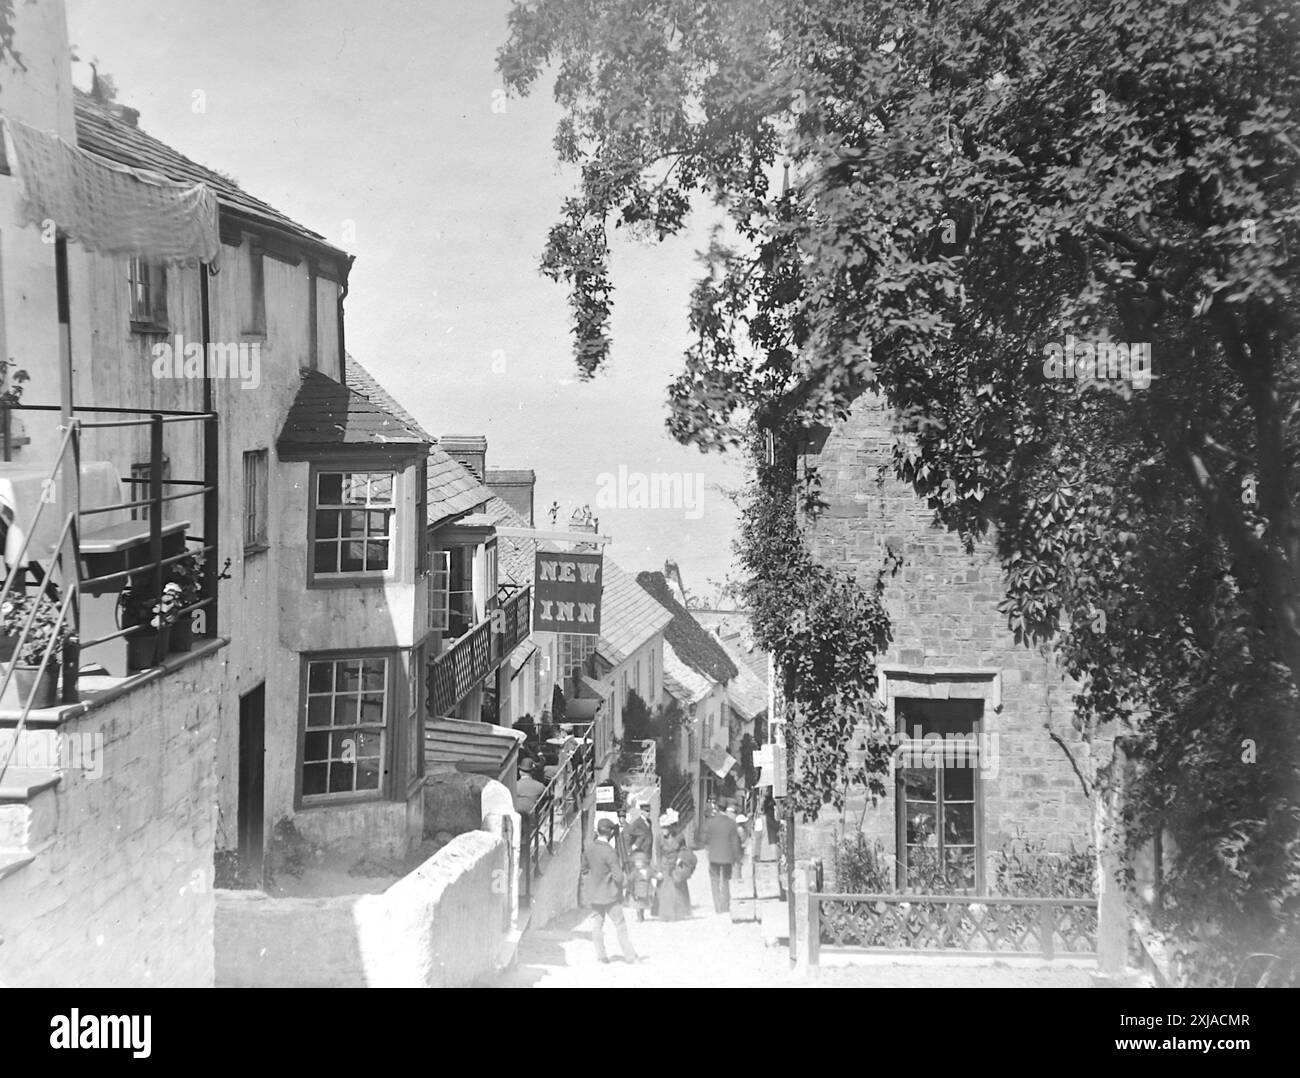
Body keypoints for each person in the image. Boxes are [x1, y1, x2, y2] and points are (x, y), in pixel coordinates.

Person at [582, 819, 640, 964]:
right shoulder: (610, 852)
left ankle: (601, 956)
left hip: (595, 895)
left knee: (597, 926)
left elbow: (584, 869)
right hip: (610, 896)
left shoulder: (589, 848)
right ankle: (630, 955)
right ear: (609, 834)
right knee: (620, 925)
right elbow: (619, 877)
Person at [702, 802, 743, 914]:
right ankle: (725, 906)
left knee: (714, 881)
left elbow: (704, 839)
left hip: (714, 856)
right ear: (725, 810)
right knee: (725, 881)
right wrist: (737, 858)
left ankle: (717, 907)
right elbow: (735, 842)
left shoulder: (710, 822)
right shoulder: (731, 823)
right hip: (727, 856)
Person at [656, 813, 694, 921]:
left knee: (678, 890)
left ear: (671, 826)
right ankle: (666, 915)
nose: (664, 830)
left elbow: (684, 849)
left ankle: (678, 913)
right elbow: (658, 855)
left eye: (666, 827)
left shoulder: (679, 836)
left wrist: (680, 858)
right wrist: (658, 870)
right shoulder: (659, 838)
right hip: (665, 866)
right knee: (666, 891)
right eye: (662, 827)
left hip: (677, 866)